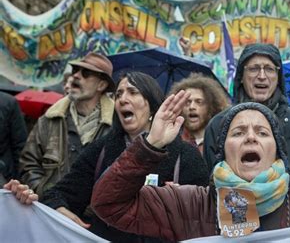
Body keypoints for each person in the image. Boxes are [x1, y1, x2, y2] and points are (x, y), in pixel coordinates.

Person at [91, 96, 290, 241]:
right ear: (223, 152)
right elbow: (109, 204)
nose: (250, 138)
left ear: (277, 150)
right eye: (238, 133)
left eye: (262, 132)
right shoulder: (187, 204)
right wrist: (149, 146)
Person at [7, 72, 209, 243]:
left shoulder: (186, 155)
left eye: (132, 92)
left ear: (152, 104)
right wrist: (60, 208)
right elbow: (60, 193)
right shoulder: (102, 149)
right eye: (119, 93)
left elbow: (201, 218)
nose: (122, 99)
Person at [203, 43, 290, 207]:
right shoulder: (219, 124)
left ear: (278, 78)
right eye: (253, 69)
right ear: (241, 77)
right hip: (235, 223)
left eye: (269, 69)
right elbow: (208, 185)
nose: (261, 75)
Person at [19, 52, 116, 198]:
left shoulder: (115, 126)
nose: (76, 76)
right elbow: (28, 165)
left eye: (86, 73)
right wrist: (48, 197)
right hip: (49, 211)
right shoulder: (49, 120)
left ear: (101, 85)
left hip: (91, 217)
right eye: (75, 71)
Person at [168, 73, 230, 154]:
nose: (192, 107)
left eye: (199, 102)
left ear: (211, 106)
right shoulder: (172, 143)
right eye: (187, 102)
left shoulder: (222, 142)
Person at [0, 92, 28, 186]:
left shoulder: (8, 102)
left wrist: (18, 180)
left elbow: (20, 145)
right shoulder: (8, 102)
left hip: (4, 175)